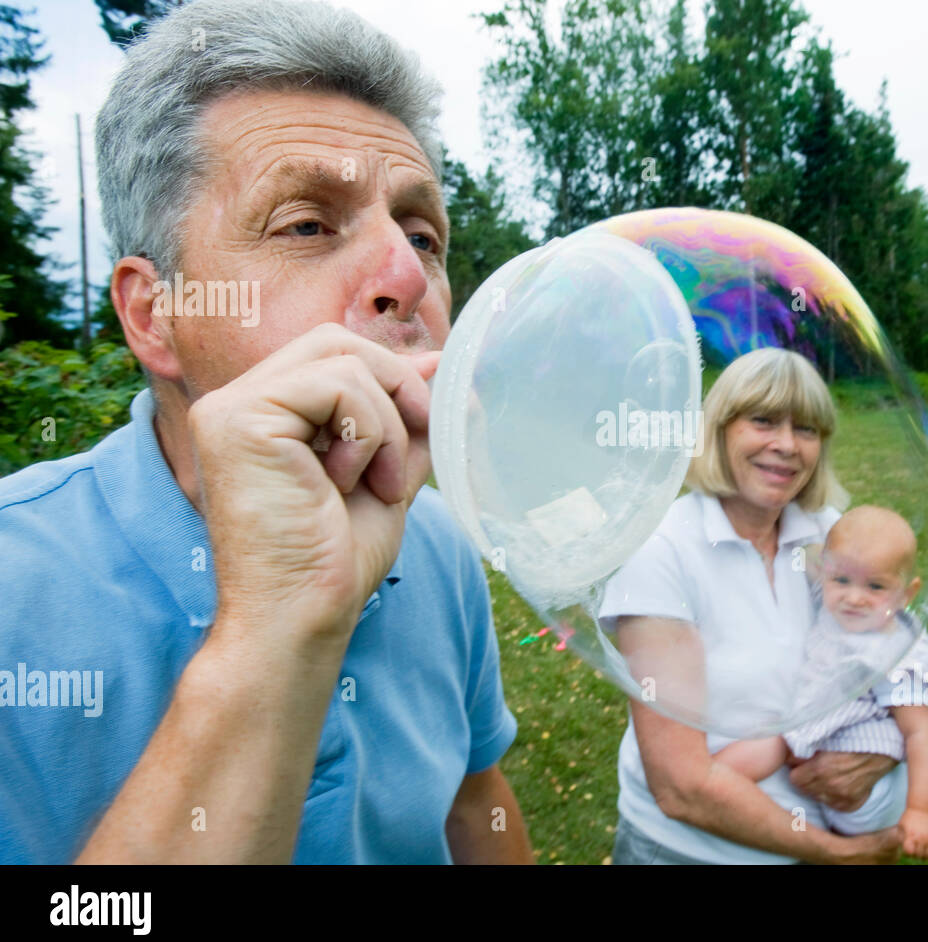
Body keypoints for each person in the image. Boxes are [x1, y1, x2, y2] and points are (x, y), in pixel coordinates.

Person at [0, 0, 531, 863]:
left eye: (423, 232)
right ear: (155, 315)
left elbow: (475, 808)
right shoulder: (15, 597)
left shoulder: (434, 543)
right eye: (307, 224)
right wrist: (274, 626)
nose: (407, 273)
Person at [598, 347, 906, 864]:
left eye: (806, 429)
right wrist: (833, 853)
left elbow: (912, 662)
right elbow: (681, 786)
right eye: (762, 421)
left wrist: (884, 749)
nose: (786, 445)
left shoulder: (830, 534)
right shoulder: (661, 553)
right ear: (720, 430)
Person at [714, 505, 928, 858]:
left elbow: (920, 735)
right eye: (841, 580)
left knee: (783, 741)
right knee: (779, 739)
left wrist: (920, 810)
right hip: (816, 743)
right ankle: (712, 779)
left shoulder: (894, 656)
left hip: (863, 796)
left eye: (875, 586)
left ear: (906, 595)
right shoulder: (835, 613)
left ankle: (716, 779)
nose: (854, 597)